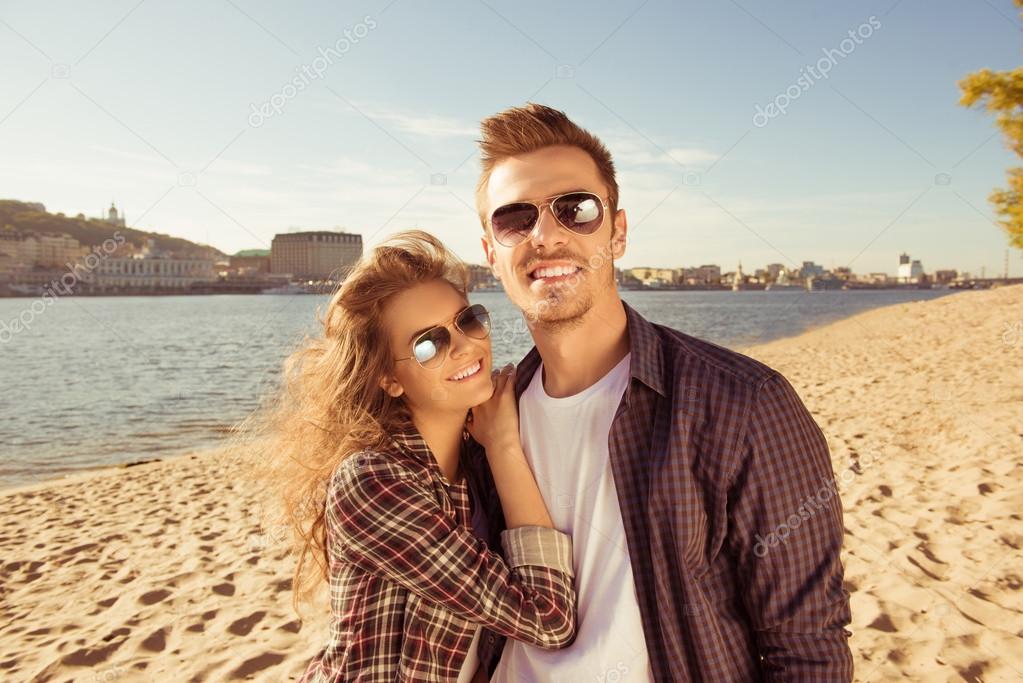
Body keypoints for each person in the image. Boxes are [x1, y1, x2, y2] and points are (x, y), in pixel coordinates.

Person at [466, 103, 854, 681]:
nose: (545, 235)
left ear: (618, 232)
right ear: (490, 253)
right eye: (515, 219)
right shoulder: (482, 420)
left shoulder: (744, 404)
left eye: (576, 209)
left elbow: (807, 645)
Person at [238, 230, 576, 682]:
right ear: (389, 379)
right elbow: (548, 619)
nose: (465, 346)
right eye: (428, 345)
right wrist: (504, 446)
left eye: (467, 321)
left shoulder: (471, 464)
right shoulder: (372, 482)